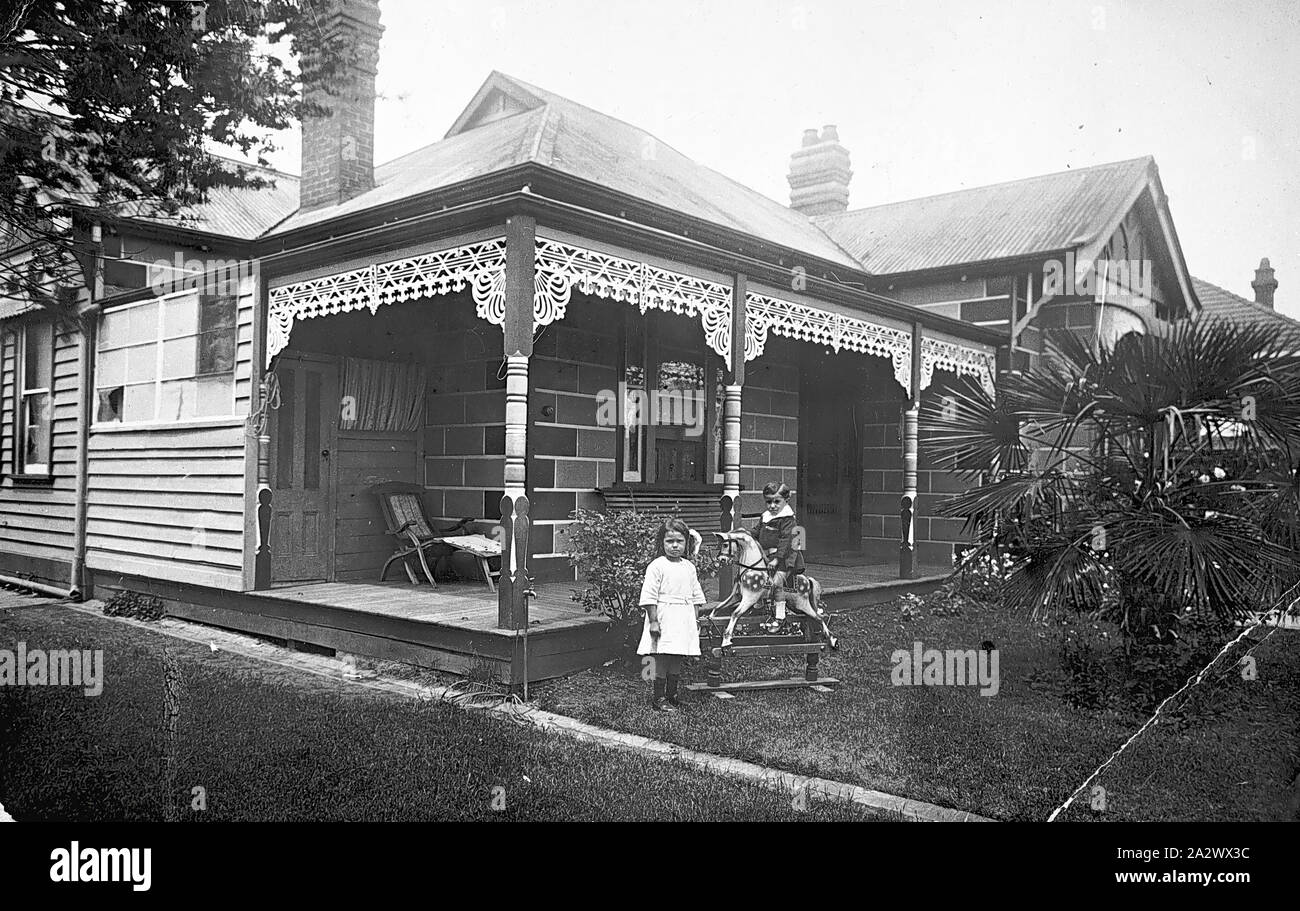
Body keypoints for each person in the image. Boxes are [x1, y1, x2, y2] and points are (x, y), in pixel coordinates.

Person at [637, 518, 706, 712]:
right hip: (664, 617)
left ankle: (672, 695)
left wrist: (694, 619)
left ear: (686, 543)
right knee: (662, 655)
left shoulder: (689, 567)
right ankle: (658, 698)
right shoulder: (657, 566)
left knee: (677, 655)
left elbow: (696, 595)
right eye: (669, 541)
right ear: (662, 543)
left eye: (680, 541)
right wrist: (653, 621)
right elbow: (649, 596)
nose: (675, 546)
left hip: (683, 617)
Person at [751, 481, 805, 596]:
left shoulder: (787, 519)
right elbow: (756, 530)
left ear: (786, 501)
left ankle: (780, 611)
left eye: (777, 501)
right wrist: (744, 535)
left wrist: (777, 559)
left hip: (784, 558)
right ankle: (760, 602)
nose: (772, 505)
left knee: (776, 585)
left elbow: (785, 540)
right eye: (769, 502)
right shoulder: (766, 516)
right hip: (768, 557)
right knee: (759, 578)